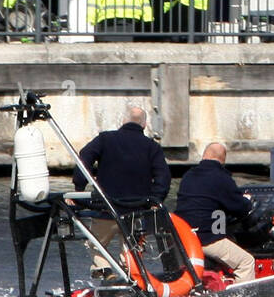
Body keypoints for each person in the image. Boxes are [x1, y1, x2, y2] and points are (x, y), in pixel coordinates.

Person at [73, 105, 172, 277]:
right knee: (131, 249)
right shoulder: (152, 147)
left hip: (107, 208)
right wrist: (156, 199)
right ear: (145, 125)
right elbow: (163, 177)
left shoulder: (105, 139)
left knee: (95, 244)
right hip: (137, 210)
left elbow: (84, 157)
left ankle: (104, 270)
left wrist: (79, 188)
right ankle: (129, 278)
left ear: (123, 121)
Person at [174, 141, 256, 283]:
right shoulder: (221, 177)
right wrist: (248, 201)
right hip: (206, 238)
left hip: (183, 236)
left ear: (204, 155)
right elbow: (241, 207)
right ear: (222, 160)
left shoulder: (188, 176)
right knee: (246, 262)